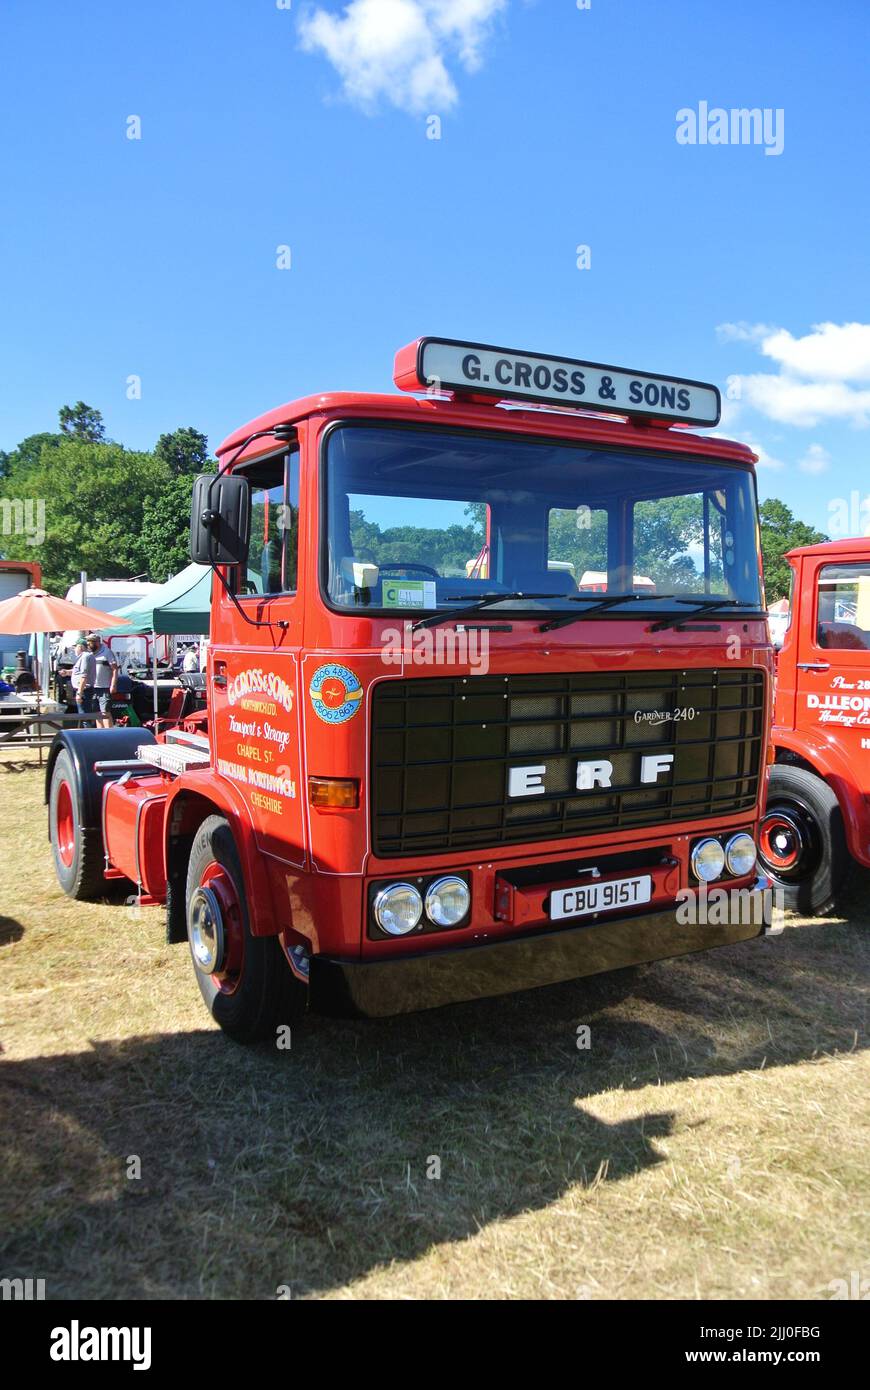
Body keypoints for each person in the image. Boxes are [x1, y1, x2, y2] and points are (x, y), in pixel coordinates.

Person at [88, 633, 119, 728]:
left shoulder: (107, 652)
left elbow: (115, 669)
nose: (88, 645)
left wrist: (113, 685)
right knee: (97, 713)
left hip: (104, 687)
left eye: (89, 643)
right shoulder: (89, 654)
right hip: (93, 687)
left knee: (105, 712)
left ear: (96, 643)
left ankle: (109, 734)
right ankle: (99, 733)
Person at [71, 637, 96, 726]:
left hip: (84, 691)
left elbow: (84, 676)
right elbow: (79, 672)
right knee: (83, 717)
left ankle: (88, 737)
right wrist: (67, 672)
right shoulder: (84, 657)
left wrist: (79, 693)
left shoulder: (85, 657)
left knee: (84, 717)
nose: (74, 649)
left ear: (80, 647)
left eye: (75, 647)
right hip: (83, 690)